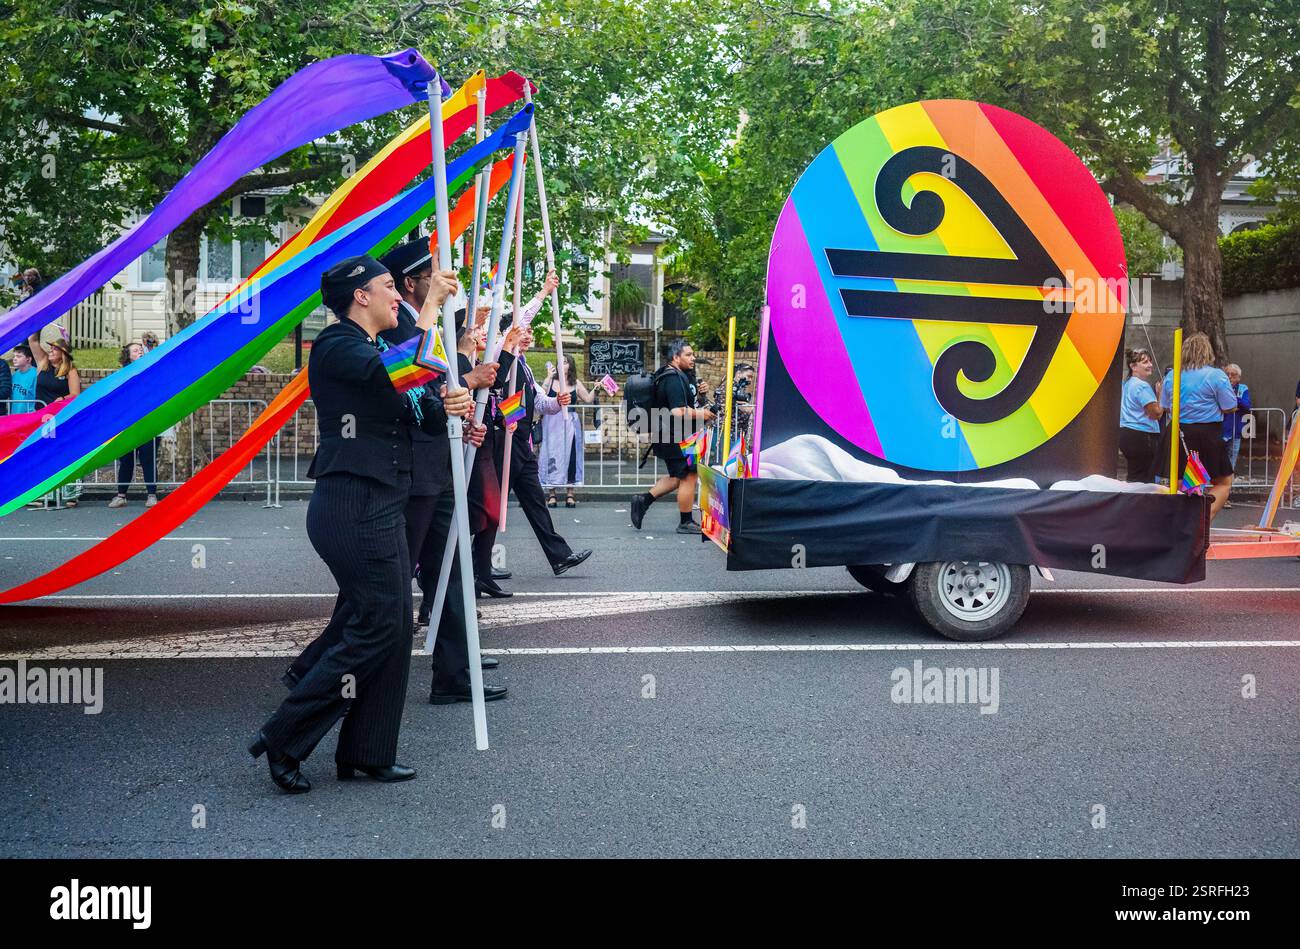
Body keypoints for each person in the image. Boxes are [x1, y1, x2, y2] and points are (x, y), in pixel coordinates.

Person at [249, 254, 468, 794]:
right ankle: (285, 734)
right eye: (391, 287)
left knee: (393, 629)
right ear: (360, 297)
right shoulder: (336, 345)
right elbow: (396, 373)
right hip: (351, 505)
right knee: (376, 625)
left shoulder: (379, 349)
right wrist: (432, 307)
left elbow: (420, 405)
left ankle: (369, 751)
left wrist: (451, 401)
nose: (401, 296)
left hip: (382, 503)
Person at [492, 316, 593, 577]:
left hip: (521, 444)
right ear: (506, 335)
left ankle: (559, 556)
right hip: (503, 443)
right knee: (491, 505)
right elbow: (496, 399)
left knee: (536, 501)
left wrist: (558, 401)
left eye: (529, 331)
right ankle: (473, 564)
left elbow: (539, 402)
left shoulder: (523, 365)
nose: (527, 335)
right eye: (521, 331)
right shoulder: (500, 358)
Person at [629, 339, 716, 533]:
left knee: (678, 477)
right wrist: (703, 414)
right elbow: (677, 411)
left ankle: (642, 500)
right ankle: (685, 522)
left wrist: (701, 395)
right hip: (676, 436)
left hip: (672, 435)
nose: (693, 358)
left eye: (693, 354)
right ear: (676, 357)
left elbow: (688, 403)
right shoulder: (673, 378)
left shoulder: (679, 375)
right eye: (688, 355)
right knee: (689, 476)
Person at [1159, 332, 1238, 520]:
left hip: (1179, 433)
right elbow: (1230, 406)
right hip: (1207, 433)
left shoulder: (1172, 376)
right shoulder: (1216, 375)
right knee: (1224, 481)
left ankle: (1179, 524)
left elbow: (1164, 406)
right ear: (1207, 352)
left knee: (1180, 484)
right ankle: (1202, 520)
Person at [28, 332, 83, 507]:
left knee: (65, 454)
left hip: (61, 419)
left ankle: (70, 494)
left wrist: (62, 399)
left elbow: (75, 394)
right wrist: (40, 319)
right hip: (43, 420)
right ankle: (43, 494)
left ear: (63, 353)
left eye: (54, 349)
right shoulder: (43, 363)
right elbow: (33, 340)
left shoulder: (70, 370)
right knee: (43, 454)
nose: (50, 350)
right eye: (50, 348)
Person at [539, 352, 596, 507]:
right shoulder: (550, 381)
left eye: (565, 362)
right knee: (551, 456)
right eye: (559, 362)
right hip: (551, 423)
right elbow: (541, 398)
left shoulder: (575, 383)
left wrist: (597, 387)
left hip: (570, 424)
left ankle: (570, 493)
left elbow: (588, 399)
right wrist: (548, 377)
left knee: (571, 456)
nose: (561, 364)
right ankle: (552, 494)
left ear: (570, 365)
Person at [108, 341, 159, 508]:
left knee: (148, 460)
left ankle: (152, 495)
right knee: (126, 460)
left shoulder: (151, 371)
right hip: (127, 425)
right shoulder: (121, 375)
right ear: (128, 357)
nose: (140, 353)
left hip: (147, 423)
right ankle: (121, 495)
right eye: (136, 351)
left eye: (141, 350)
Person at [1118, 348, 1163, 482]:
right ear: (1133, 366)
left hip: (1126, 434)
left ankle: (1132, 501)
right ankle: (1139, 502)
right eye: (1144, 362)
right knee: (1144, 478)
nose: (1150, 365)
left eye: (1150, 361)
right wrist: (1160, 395)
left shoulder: (1127, 383)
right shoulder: (1142, 386)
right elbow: (1156, 414)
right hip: (1142, 436)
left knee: (1135, 475)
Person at [1221, 363, 1251, 485]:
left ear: (1238, 377)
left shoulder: (1243, 388)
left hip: (1235, 432)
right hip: (1219, 431)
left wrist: (1234, 399)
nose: (1229, 377)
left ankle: (1227, 494)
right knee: (1216, 462)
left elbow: (1246, 406)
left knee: (1230, 464)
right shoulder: (1220, 386)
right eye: (1227, 374)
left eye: (1233, 375)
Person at [9, 345, 39, 414]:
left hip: (29, 416)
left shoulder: (36, 374)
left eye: (19, 356)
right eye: (14, 356)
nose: (14, 359)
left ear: (28, 359)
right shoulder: (14, 375)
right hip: (14, 415)